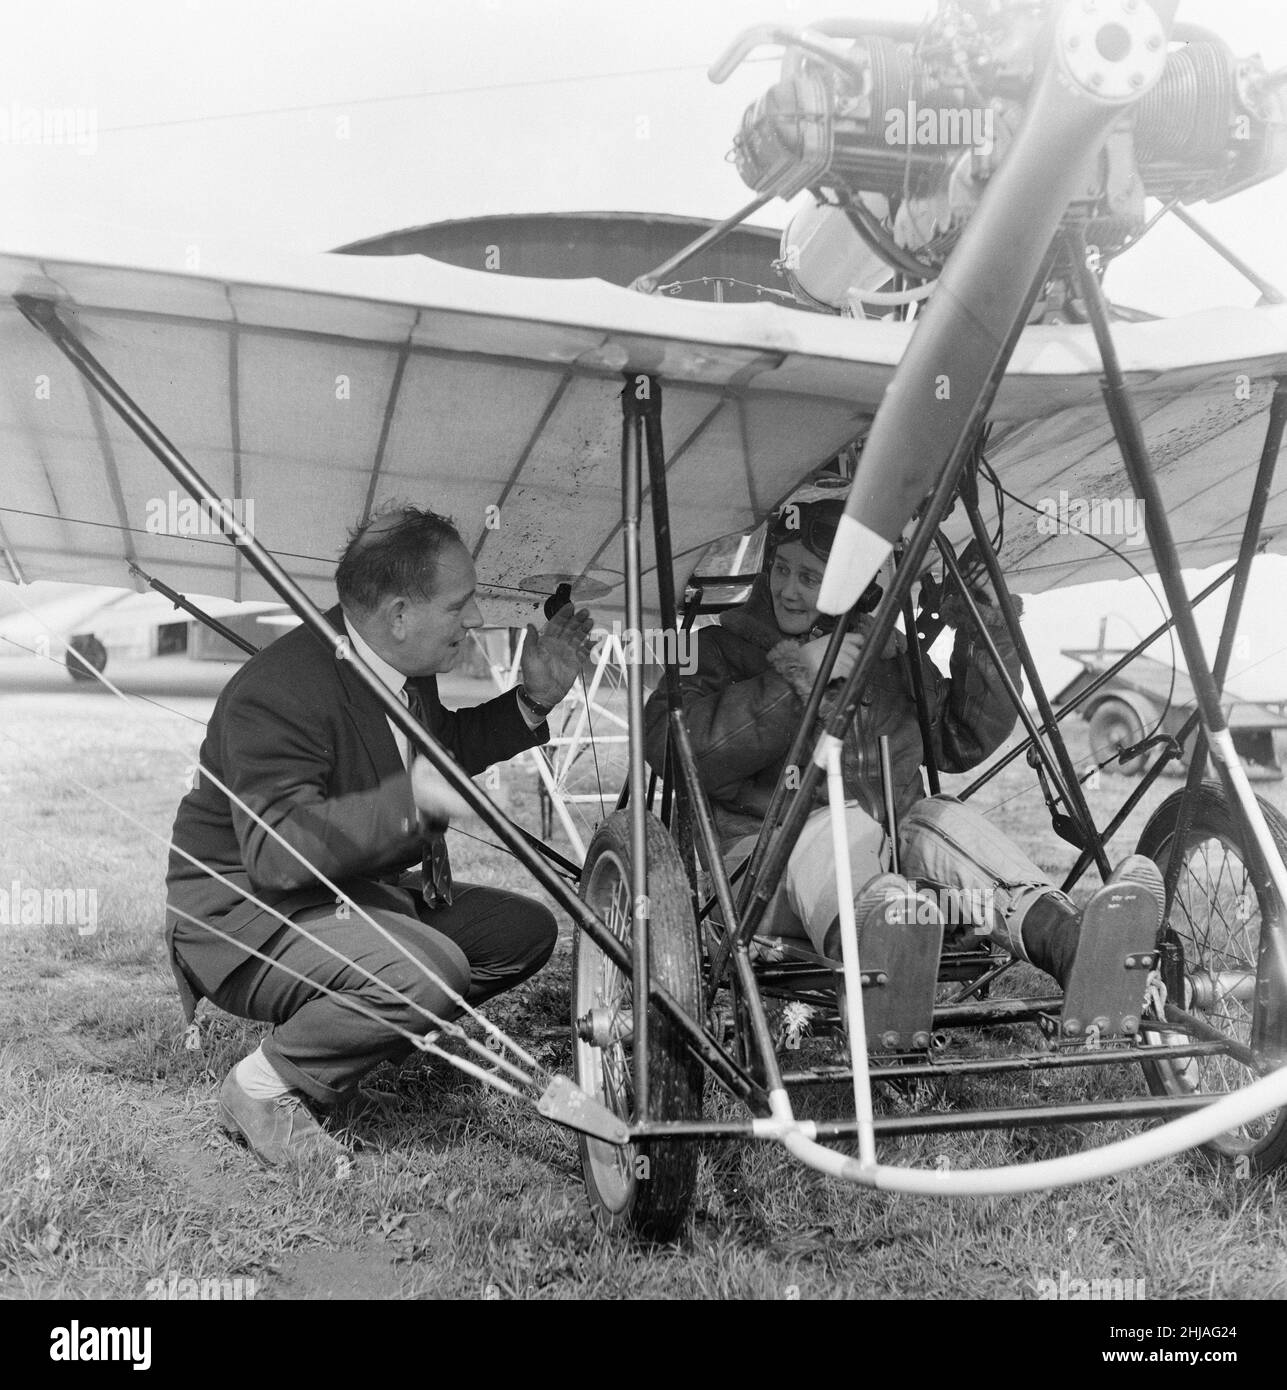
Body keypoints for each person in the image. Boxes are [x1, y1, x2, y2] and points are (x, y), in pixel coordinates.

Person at [165, 505, 594, 1166]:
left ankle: (343, 1037)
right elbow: (277, 855)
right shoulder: (280, 690)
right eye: (460, 606)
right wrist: (409, 803)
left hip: (340, 893)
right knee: (431, 970)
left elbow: (434, 750)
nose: (476, 620)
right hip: (245, 916)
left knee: (522, 933)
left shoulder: (398, 660)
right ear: (398, 614)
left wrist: (531, 701)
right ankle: (259, 1089)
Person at [644, 480, 1163, 993]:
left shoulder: (884, 655)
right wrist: (793, 678)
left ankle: (1073, 944)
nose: (787, 588)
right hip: (763, 877)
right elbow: (676, 749)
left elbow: (963, 740)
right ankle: (880, 951)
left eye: (809, 576)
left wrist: (985, 627)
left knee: (938, 818)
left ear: (852, 586)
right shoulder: (718, 648)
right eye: (781, 568)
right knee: (832, 826)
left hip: (899, 887)